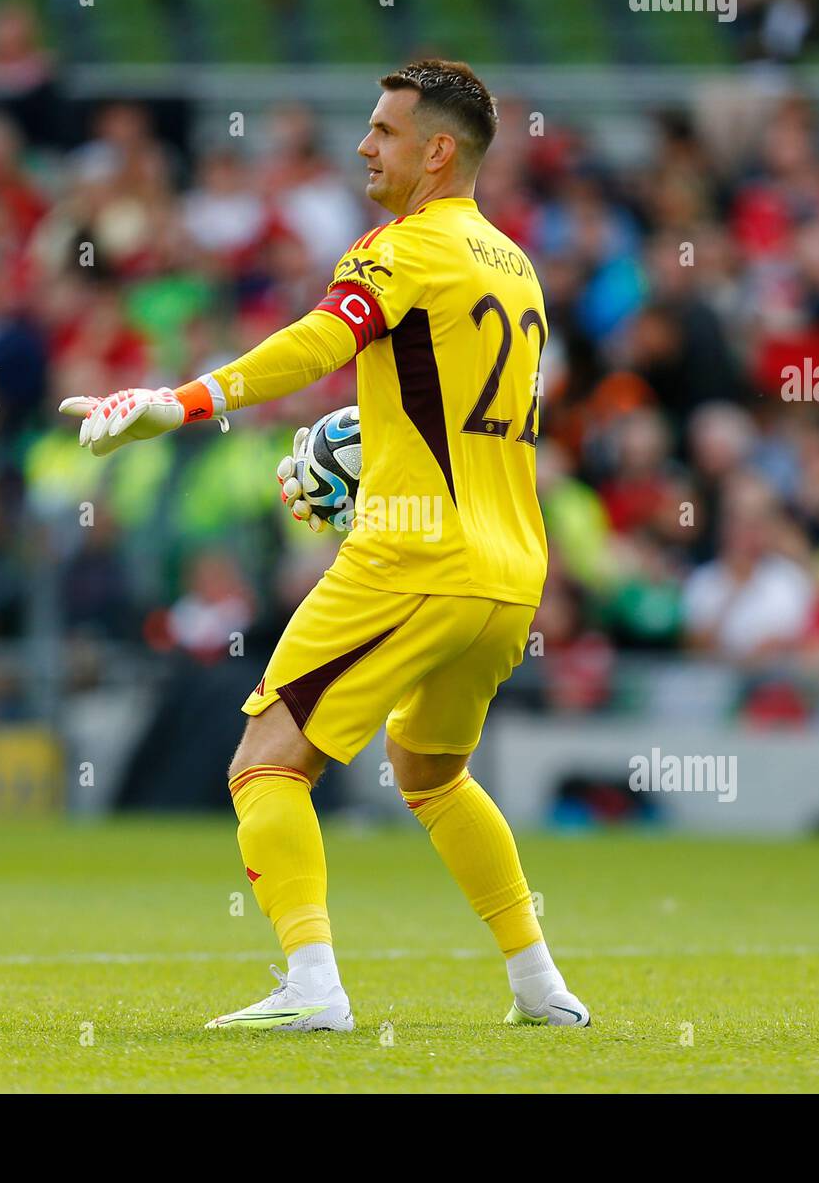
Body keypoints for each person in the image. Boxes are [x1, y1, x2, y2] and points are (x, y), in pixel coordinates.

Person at [61, 60, 590, 1032]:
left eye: (384, 131)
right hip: (511, 568)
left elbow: (318, 340)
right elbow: (441, 403)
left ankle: (312, 985)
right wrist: (356, 445)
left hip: (415, 557)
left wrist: (180, 402)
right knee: (431, 772)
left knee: (265, 760)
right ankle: (538, 984)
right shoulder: (514, 266)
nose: (363, 146)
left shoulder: (401, 247)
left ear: (437, 150)